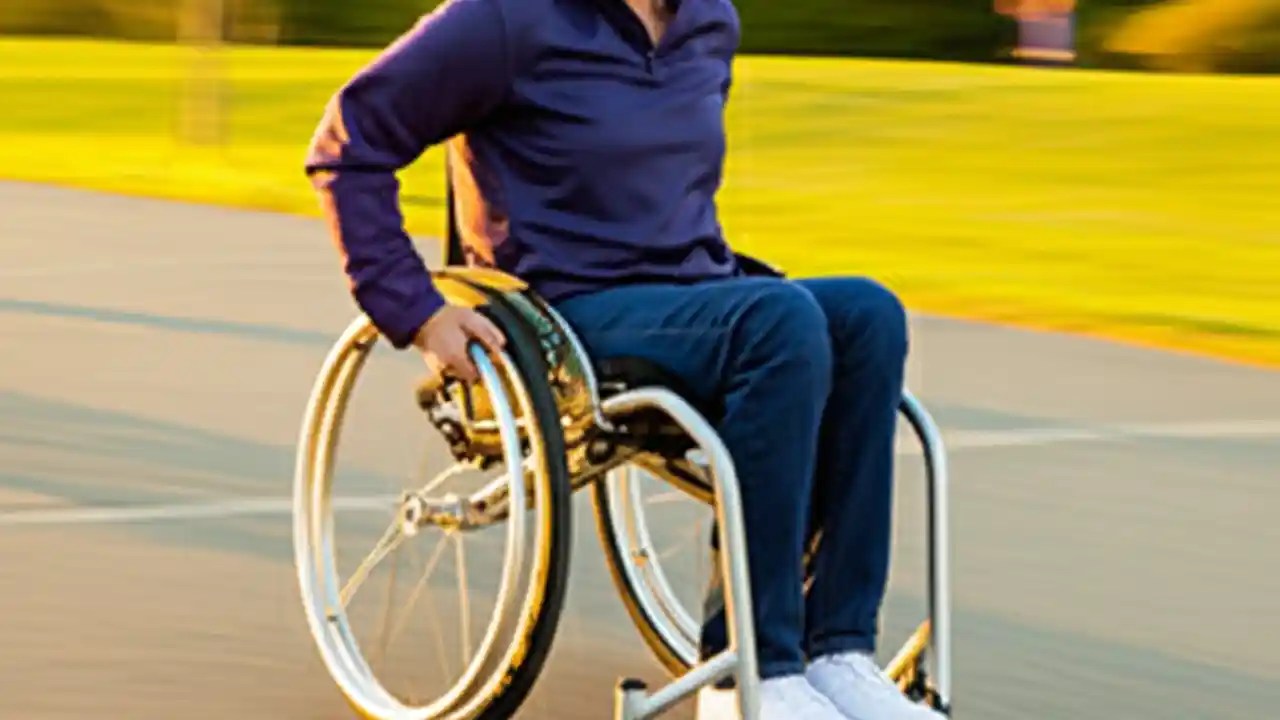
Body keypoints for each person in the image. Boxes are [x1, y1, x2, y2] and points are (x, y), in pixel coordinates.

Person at [305, 1, 941, 718]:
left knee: (868, 315)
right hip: (567, 308)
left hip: (694, 292)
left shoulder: (709, 21)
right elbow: (347, 144)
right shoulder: (504, 20)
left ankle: (838, 651)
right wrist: (416, 310)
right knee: (779, 323)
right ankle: (749, 675)